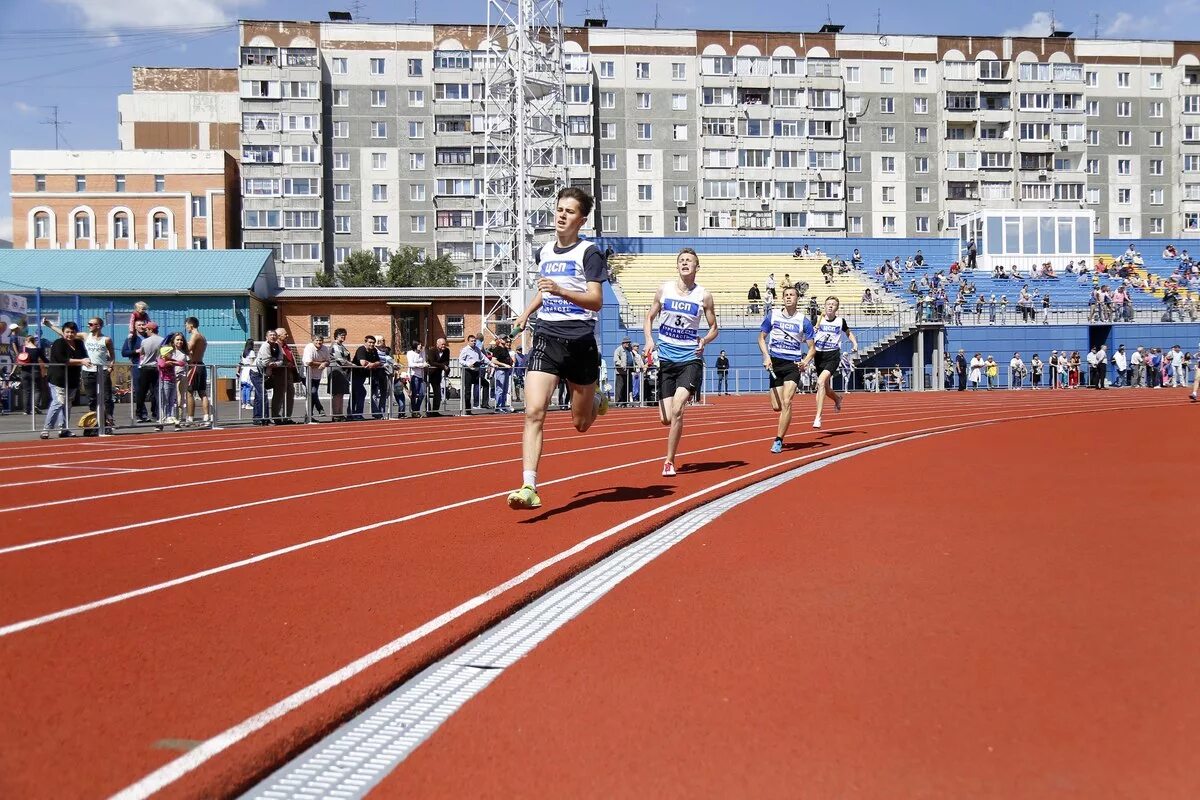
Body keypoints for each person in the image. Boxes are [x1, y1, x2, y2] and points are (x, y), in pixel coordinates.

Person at [507, 187, 609, 510]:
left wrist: (562, 291)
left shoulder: (589, 253)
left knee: (580, 423)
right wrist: (526, 313)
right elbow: (544, 290)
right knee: (533, 411)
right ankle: (529, 486)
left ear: (582, 219)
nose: (561, 215)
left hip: (580, 342)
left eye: (569, 211)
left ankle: (597, 400)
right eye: (559, 209)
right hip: (547, 337)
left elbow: (596, 300)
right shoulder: (545, 252)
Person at [644, 248, 719, 476]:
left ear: (697, 267)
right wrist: (648, 339)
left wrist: (704, 340)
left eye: (690, 261)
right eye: (682, 261)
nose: (685, 263)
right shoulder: (664, 290)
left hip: (690, 359)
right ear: (677, 266)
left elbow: (714, 327)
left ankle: (669, 461)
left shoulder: (704, 296)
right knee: (666, 418)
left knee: (677, 409)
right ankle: (675, 419)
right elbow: (649, 317)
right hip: (666, 359)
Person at [759, 286, 814, 453]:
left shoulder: (803, 321)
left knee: (787, 402)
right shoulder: (773, 315)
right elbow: (761, 338)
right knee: (777, 406)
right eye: (786, 295)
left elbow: (812, 348)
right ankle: (784, 417)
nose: (789, 297)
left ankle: (778, 439)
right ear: (782, 298)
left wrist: (804, 361)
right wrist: (766, 356)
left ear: (797, 299)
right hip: (775, 362)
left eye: (792, 295)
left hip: (793, 364)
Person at [806, 296, 858, 429]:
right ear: (824, 306)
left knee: (820, 382)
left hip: (833, 355)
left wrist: (854, 343)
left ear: (836, 308)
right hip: (819, 355)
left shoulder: (841, 321)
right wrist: (814, 330)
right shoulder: (818, 319)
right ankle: (837, 399)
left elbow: (848, 333)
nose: (830, 306)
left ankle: (818, 417)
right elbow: (808, 335)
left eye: (833, 304)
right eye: (828, 304)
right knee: (826, 387)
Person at [41, 322, 88, 439]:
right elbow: (62, 359)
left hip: (72, 379)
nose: (70, 334)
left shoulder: (79, 343)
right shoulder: (59, 343)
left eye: (72, 332)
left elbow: (84, 355)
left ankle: (64, 429)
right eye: (67, 332)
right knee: (58, 403)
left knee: (67, 404)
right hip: (58, 379)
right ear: (63, 332)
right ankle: (46, 429)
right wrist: (80, 361)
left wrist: (82, 360)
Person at [80, 317, 115, 433]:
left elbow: (112, 355)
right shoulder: (86, 336)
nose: (89, 325)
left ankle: (109, 421)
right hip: (88, 371)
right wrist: (49, 325)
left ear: (98, 326)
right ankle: (94, 422)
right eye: (88, 323)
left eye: (91, 324)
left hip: (102, 370)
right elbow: (65, 333)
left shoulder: (106, 339)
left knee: (106, 397)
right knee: (92, 398)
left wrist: (110, 366)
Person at [183, 316, 211, 427]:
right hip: (200, 365)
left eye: (186, 326)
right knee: (202, 392)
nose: (186, 328)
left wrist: (177, 345)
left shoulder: (195, 336)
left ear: (191, 325)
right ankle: (206, 417)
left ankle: (190, 418)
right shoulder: (203, 337)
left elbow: (188, 349)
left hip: (194, 365)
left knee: (190, 392)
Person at [256, 329, 287, 424]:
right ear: (266, 337)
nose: (273, 337)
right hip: (257, 372)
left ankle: (259, 418)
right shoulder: (265, 346)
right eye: (271, 335)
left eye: (274, 335)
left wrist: (275, 363)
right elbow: (266, 362)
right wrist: (274, 362)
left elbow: (281, 360)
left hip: (268, 373)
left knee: (260, 395)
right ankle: (262, 418)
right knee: (262, 395)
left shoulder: (278, 346)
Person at [352, 334, 385, 419]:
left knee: (362, 393)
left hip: (367, 374)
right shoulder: (361, 349)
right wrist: (372, 364)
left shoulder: (374, 350)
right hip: (357, 374)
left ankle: (356, 414)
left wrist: (373, 364)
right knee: (359, 393)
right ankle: (355, 414)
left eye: (373, 343)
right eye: (370, 342)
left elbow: (379, 362)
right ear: (365, 342)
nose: (372, 344)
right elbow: (362, 362)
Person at [136, 322, 162, 421]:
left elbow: (142, 353)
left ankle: (139, 414)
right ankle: (156, 412)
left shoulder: (145, 341)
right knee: (156, 391)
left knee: (142, 392)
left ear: (151, 330)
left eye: (147, 329)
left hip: (146, 367)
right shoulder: (162, 340)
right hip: (157, 367)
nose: (145, 331)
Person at [303, 334, 330, 418]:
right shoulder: (309, 347)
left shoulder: (325, 348)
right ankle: (319, 408)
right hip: (306, 374)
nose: (319, 342)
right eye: (317, 340)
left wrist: (325, 363)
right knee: (312, 392)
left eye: (320, 340)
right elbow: (308, 362)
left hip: (317, 374)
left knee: (313, 394)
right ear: (313, 341)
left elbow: (328, 361)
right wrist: (321, 363)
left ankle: (309, 416)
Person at [328, 328, 352, 421]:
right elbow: (340, 360)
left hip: (343, 372)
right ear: (336, 336)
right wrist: (352, 365)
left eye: (344, 335)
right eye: (341, 335)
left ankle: (340, 414)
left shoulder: (341, 346)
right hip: (336, 372)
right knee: (337, 394)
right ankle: (336, 415)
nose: (343, 336)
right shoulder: (335, 346)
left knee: (341, 394)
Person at [488, 335, 513, 412]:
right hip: (500, 370)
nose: (505, 340)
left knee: (505, 390)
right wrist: (504, 364)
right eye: (503, 339)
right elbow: (494, 360)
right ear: (499, 339)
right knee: (500, 389)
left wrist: (510, 364)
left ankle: (503, 406)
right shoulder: (497, 349)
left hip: (506, 371)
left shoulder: (505, 349)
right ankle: (498, 407)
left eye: (505, 339)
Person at [426, 337, 450, 416]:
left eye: (445, 344)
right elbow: (432, 362)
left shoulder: (447, 351)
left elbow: (447, 361)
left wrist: (443, 366)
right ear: (438, 344)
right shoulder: (432, 351)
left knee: (438, 394)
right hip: (429, 374)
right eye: (442, 344)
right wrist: (443, 366)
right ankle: (428, 411)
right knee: (426, 393)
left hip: (437, 375)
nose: (444, 346)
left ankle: (435, 411)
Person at [459, 334, 482, 415]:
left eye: (475, 341)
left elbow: (483, 358)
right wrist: (468, 364)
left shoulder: (477, 350)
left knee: (484, 384)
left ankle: (481, 404)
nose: (474, 343)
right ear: (468, 342)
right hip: (468, 371)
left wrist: (490, 363)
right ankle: (468, 409)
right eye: (472, 341)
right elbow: (460, 360)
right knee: (467, 391)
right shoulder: (465, 350)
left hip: (476, 371)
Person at [406, 340, 427, 416]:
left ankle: (417, 409)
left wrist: (423, 364)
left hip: (421, 375)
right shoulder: (410, 353)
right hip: (414, 375)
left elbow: (424, 362)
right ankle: (414, 411)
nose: (420, 346)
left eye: (421, 344)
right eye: (418, 344)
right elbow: (411, 364)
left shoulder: (422, 353)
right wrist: (421, 365)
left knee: (422, 393)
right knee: (414, 394)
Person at [613, 337, 635, 406]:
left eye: (629, 342)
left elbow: (635, 357)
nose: (628, 344)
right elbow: (616, 360)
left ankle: (625, 402)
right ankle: (618, 402)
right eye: (627, 342)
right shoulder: (618, 350)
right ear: (623, 343)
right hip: (621, 372)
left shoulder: (630, 350)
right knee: (620, 388)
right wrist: (621, 365)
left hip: (629, 372)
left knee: (627, 387)